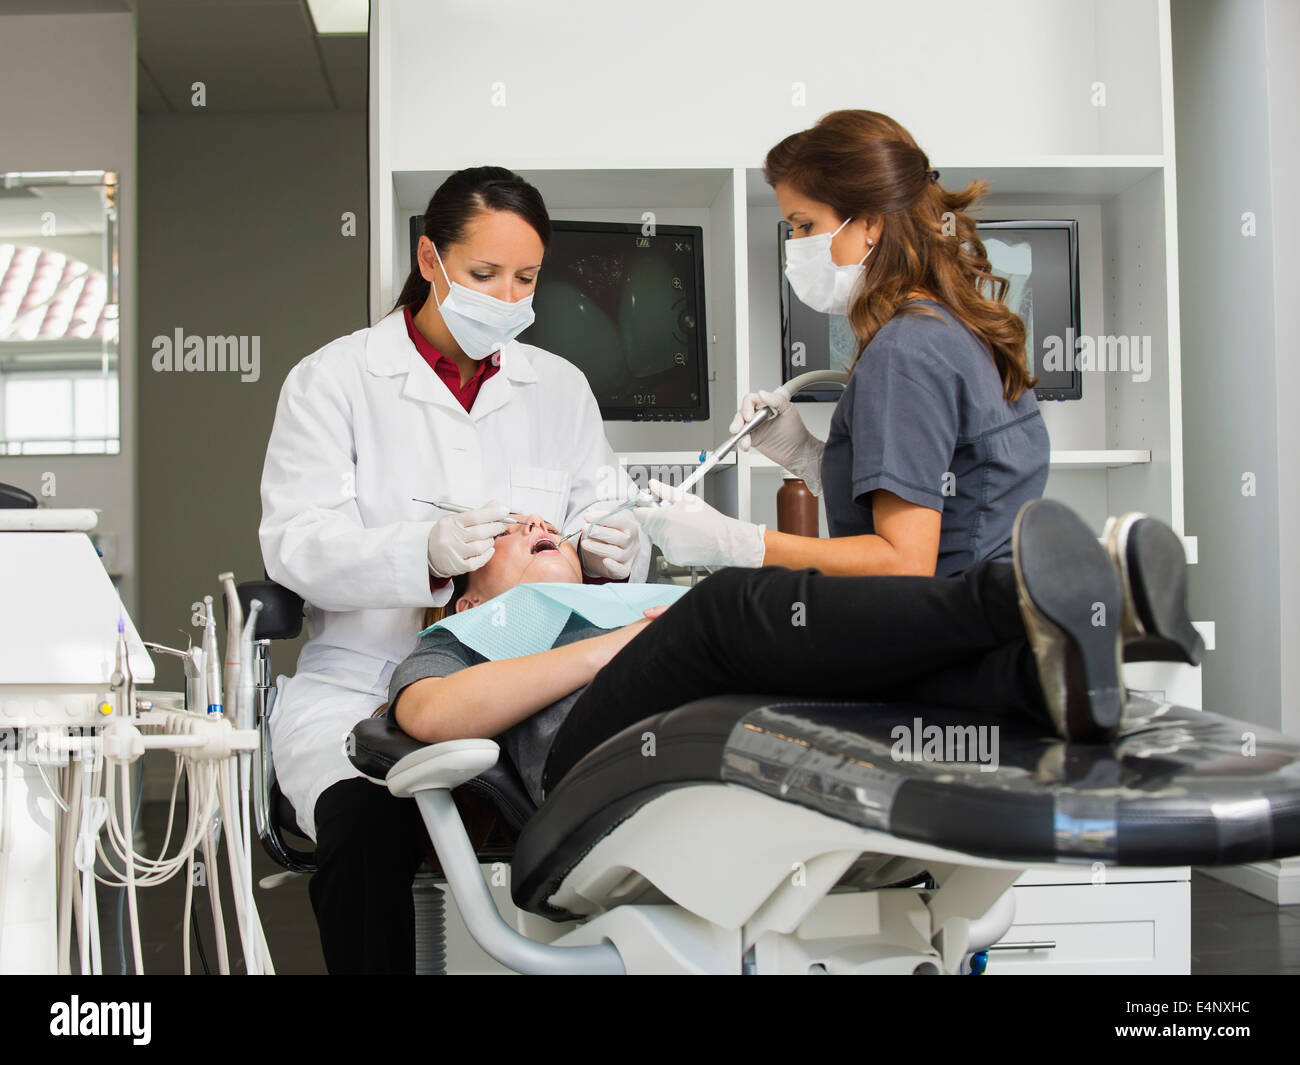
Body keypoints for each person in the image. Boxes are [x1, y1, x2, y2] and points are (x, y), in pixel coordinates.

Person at [258, 167, 650, 973]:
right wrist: (422, 554)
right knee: (368, 828)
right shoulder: (335, 381)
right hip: (362, 681)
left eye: (526, 278)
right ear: (430, 259)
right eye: (483, 275)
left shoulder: (560, 389)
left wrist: (621, 550)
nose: (507, 297)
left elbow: (610, 515)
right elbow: (294, 542)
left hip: (529, 681)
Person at [390, 500, 1205, 815]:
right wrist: (617, 645)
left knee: (865, 667)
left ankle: (1043, 679)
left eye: (540, 522)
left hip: (724, 717)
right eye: (503, 529)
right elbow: (425, 714)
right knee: (725, 602)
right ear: (464, 594)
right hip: (588, 770)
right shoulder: (469, 633)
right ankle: (1010, 595)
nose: (531, 517)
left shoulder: (621, 594)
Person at [636, 110, 1050, 578]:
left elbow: (903, 563)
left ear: (870, 223)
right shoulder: (956, 327)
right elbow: (951, 493)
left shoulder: (906, 351)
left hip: (942, 636)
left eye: (805, 225)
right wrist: (813, 458)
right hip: (987, 624)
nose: (794, 245)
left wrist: (739, 543)